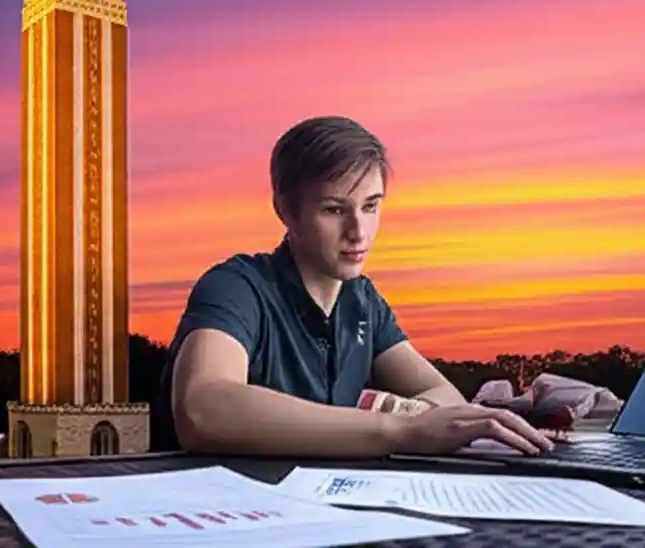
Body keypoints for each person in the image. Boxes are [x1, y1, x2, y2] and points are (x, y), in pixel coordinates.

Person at [153, 116, 554, 458]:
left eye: (371, 206)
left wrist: (418, 419)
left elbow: (442, 394)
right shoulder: (236, 286)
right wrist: (396, 430)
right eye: (333, 209)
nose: (358, 232)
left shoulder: (362, 302)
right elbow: (202, 409)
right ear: (285, 209)